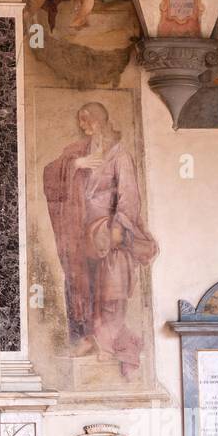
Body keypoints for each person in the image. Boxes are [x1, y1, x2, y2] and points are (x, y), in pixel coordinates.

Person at [43, 103, 158, 377]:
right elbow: (49, 174)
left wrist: (117, 229)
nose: (83, 126)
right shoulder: (78, 150)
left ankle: (106, 339)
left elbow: (129, 196)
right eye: (81, 121)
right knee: (83, 285)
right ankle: (88, 337)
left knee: (109, 290)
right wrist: (75, 165)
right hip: (80, 235)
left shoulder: (120, 155)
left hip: (108, 235)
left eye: (87, 121)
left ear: (101, 120)